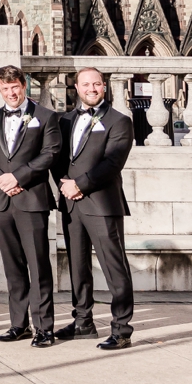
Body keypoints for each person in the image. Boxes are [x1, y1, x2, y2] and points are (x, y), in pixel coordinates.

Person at [54, 67, 135, 351]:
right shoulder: (64, 120)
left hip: (102, 204)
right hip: (71, 205)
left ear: (104, 86)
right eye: (86, 84)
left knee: (115, 267)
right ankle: (83, 322)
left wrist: (80, 185)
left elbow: (112, 163)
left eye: (97, 84)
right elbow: (55, 157)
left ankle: (122, 329)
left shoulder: (120, 121)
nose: (92, 88)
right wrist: (64, 185)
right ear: (76, 87)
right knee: (78, 266)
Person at [0, 65, 62, 348]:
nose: (11, 93)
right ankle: (19, 324)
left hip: (31, 200)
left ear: (24, 85)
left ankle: (44, 328)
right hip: (1, 202)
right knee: (12, 266)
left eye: (15, 87)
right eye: (5, 89)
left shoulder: (46, 116)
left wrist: (19, 177)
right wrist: (1, 180)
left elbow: (50, 153)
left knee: (38, 265)